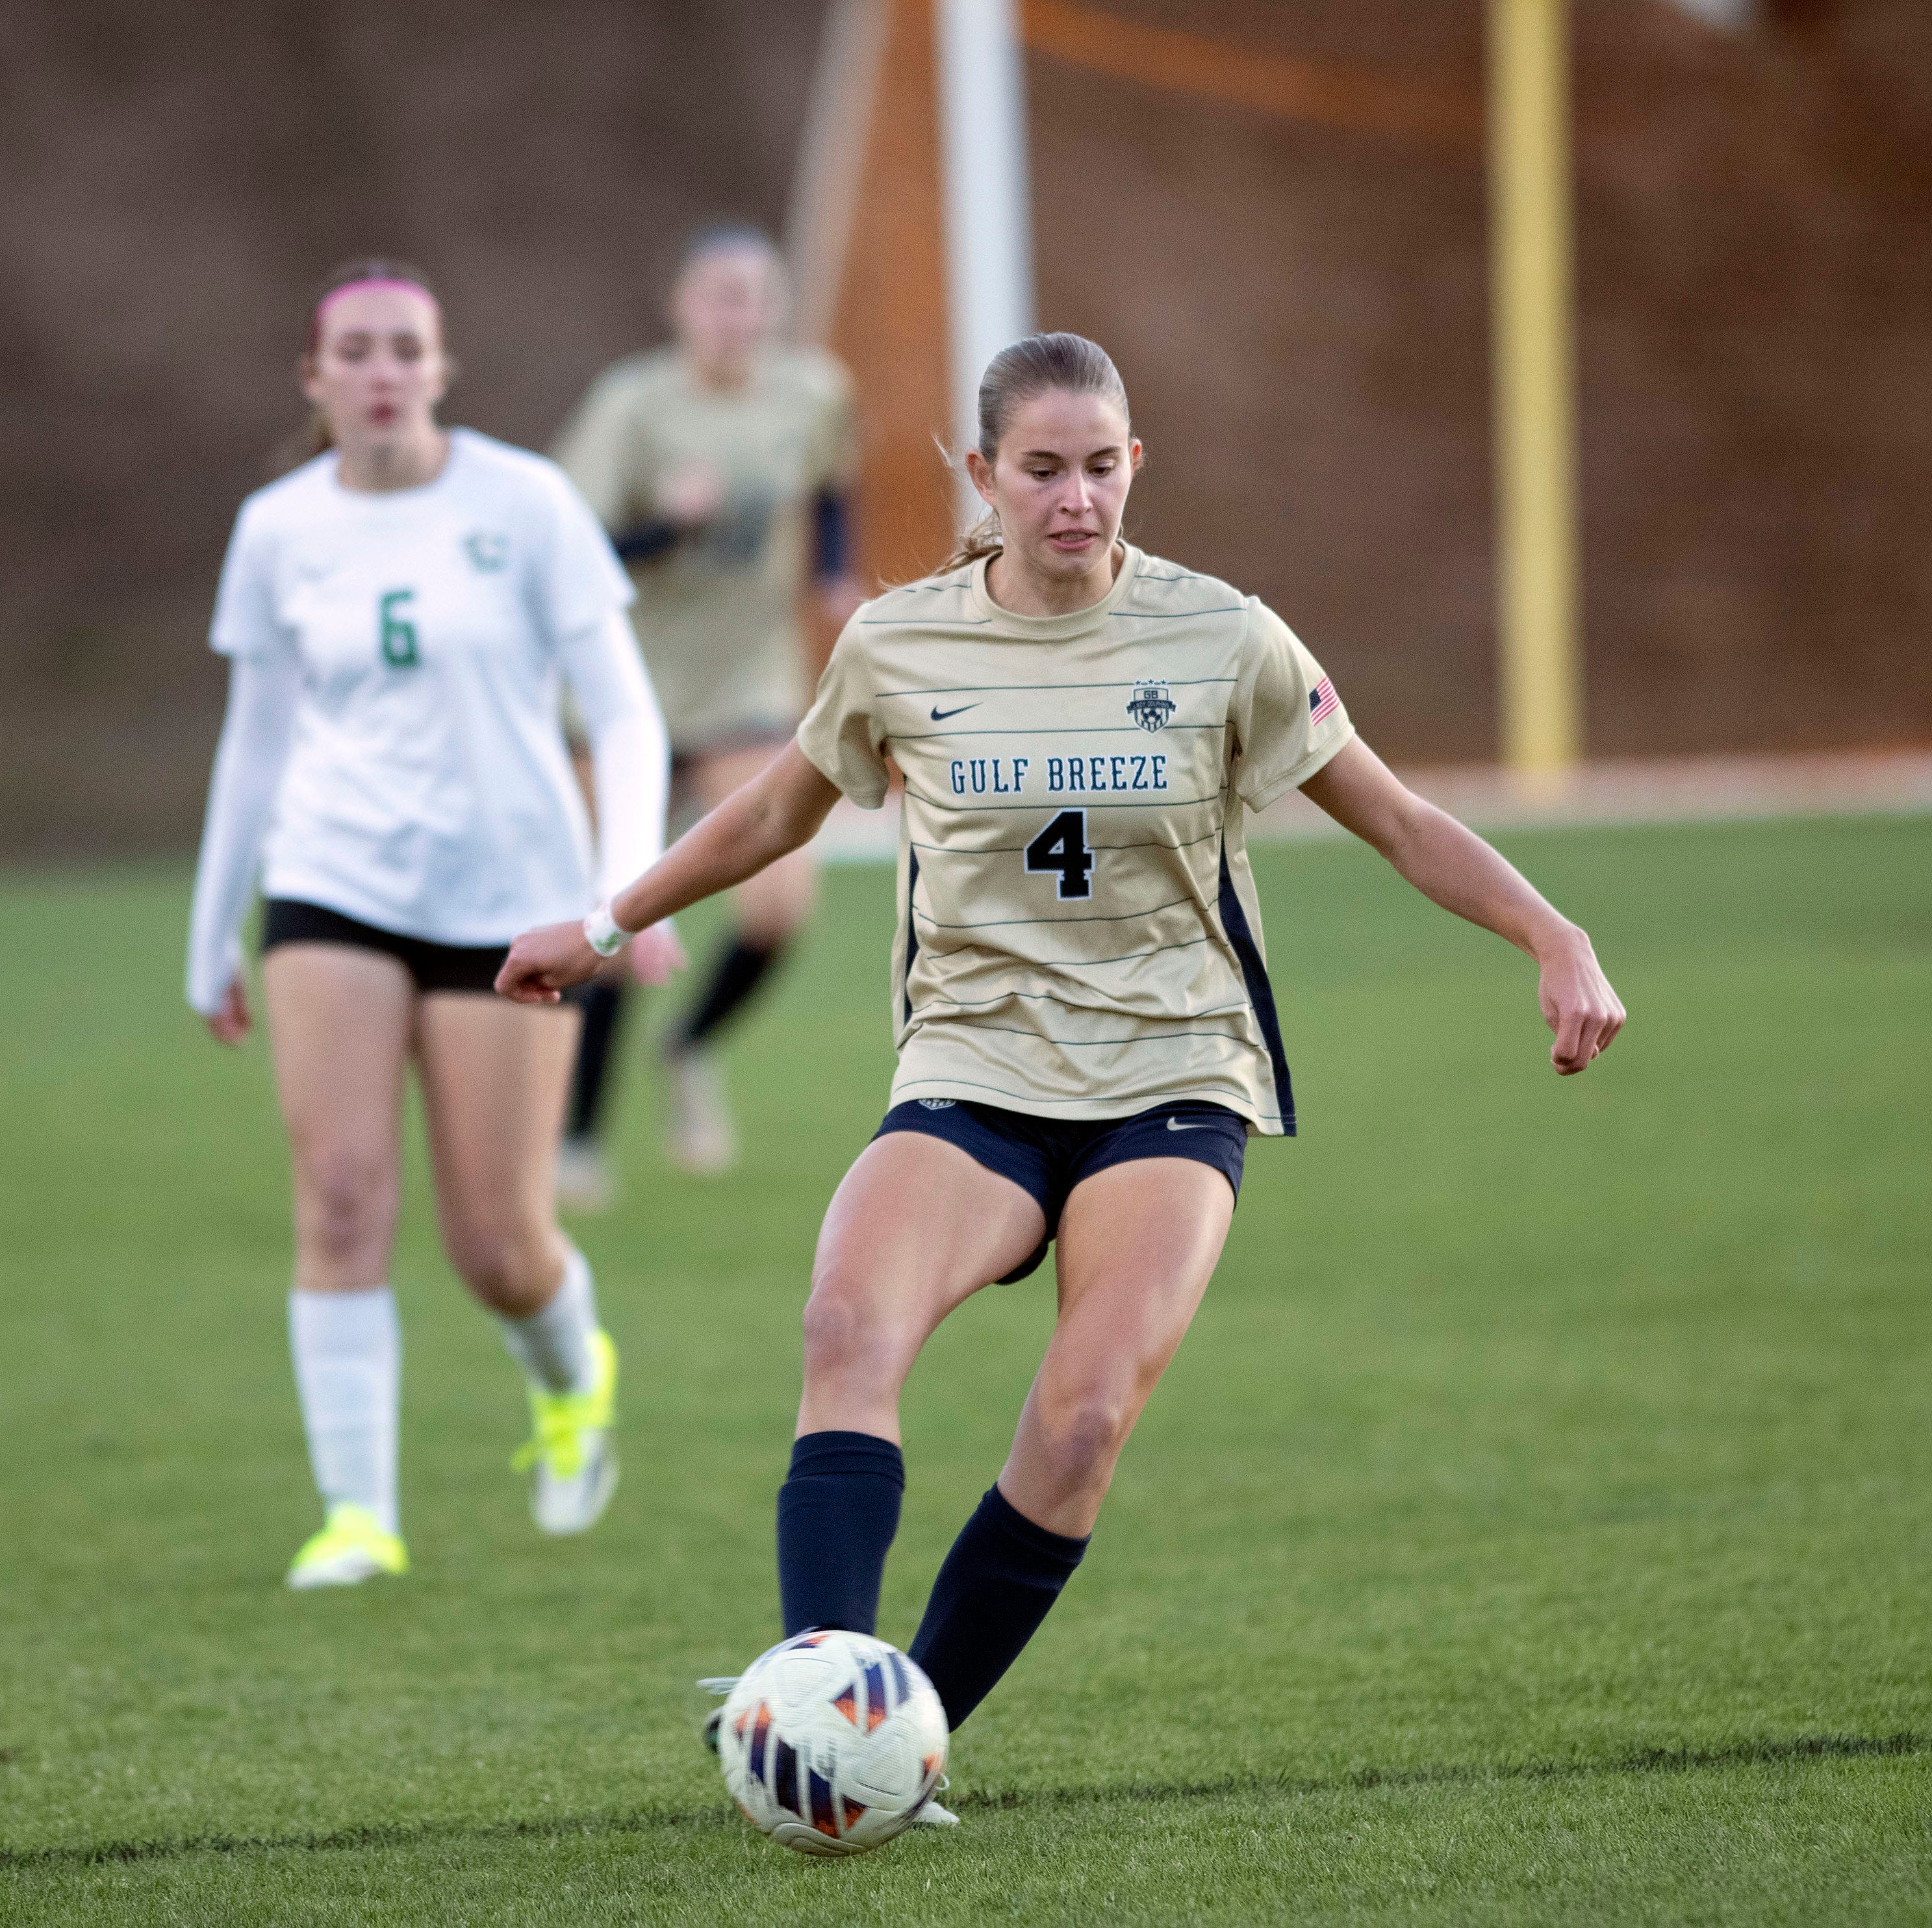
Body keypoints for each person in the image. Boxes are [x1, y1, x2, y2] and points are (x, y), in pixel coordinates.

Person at [496, 333, 1625, 1794]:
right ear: (984, 475)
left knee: (1084, 1416)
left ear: (1135, 463)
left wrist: (1554, 931)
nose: (1076, 497)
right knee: (847, 1325)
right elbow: (772, 814)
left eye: (1102, 465)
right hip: (974, 1066)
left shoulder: (1225, 636)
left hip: (1172, 1073)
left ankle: (894, 1743)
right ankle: (820, 1703)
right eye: (1042, 469)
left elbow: (1401, 820)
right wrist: (604, 922)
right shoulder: (901, 644)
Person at [185, 259, 681, 1589]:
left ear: (442, 368)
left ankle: (574, 1377)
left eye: (407, 347)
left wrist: (619, 894)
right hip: (331, 886)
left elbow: (624, 715)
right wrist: (207, 928)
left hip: (509, 898)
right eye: (356, 350)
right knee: (341, 1193)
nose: (383, 370)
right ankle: (358, 1516)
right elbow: (256, 740)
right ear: (315, 376)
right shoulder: (279, 526)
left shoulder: (526, 503)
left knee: (498, 1245)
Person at [550, 223, 861, 1195]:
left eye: (756, 297)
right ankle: (579, 1141)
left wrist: (835, 578)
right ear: (682, 306)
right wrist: (660, 526)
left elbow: (832, 482)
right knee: (614, 911)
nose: (740, 317)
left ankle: (686, 1047)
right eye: (720, 296)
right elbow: (566, 546)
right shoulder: (631, 405)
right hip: (624, 686)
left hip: (748, 684)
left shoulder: (812, 392)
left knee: (778, 906)